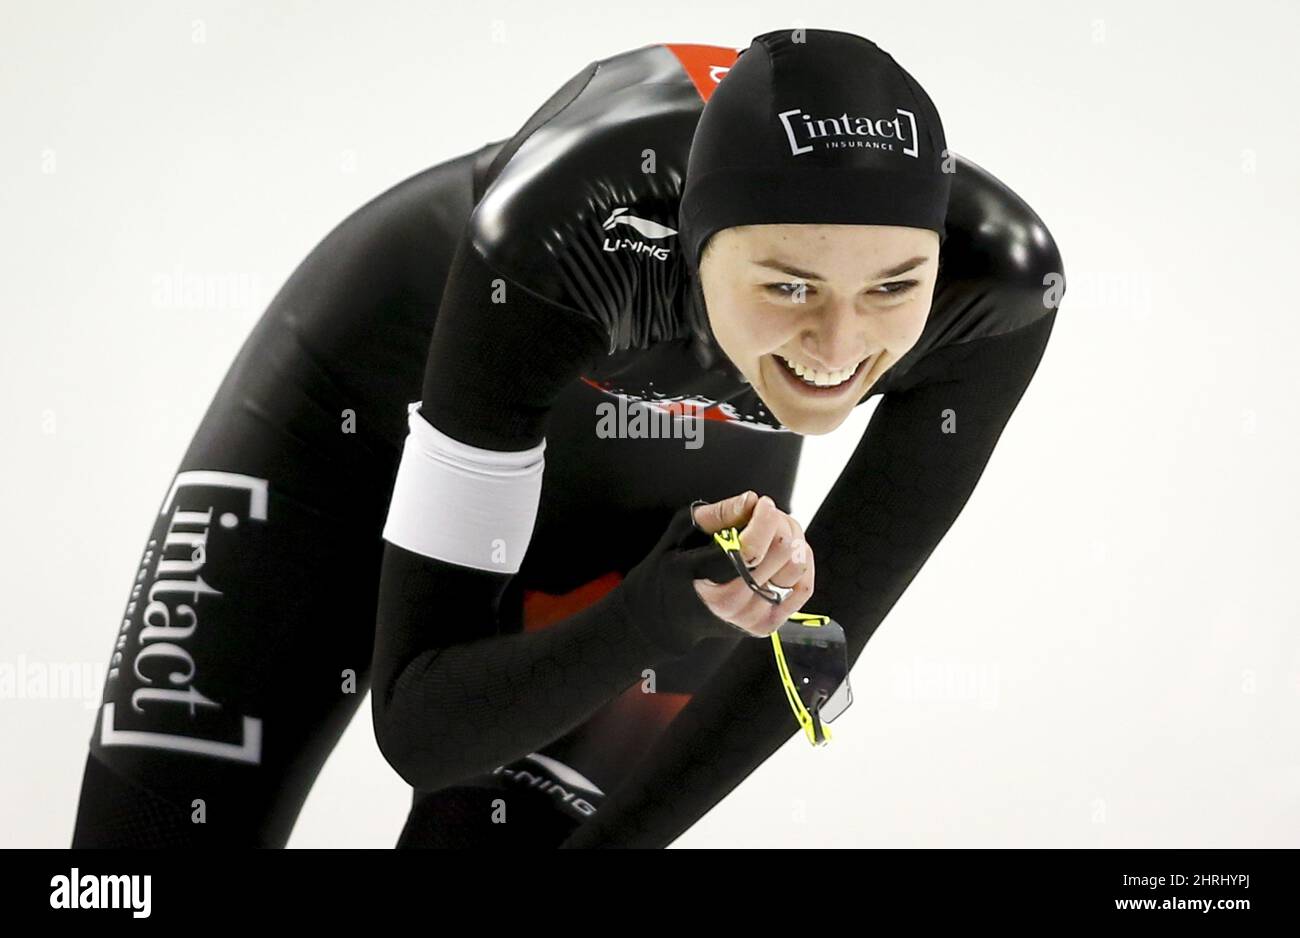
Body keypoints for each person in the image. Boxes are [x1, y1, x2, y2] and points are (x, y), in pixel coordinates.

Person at [70, 27, 1065, 849]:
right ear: (687, 247)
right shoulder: (557, 248)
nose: (839, 350)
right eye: (787, 285)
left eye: (891, 289)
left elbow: (816, 632)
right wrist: (641, 621)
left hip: (658, 477)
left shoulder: (1003, 287)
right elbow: (420, 728)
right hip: (366, 391)